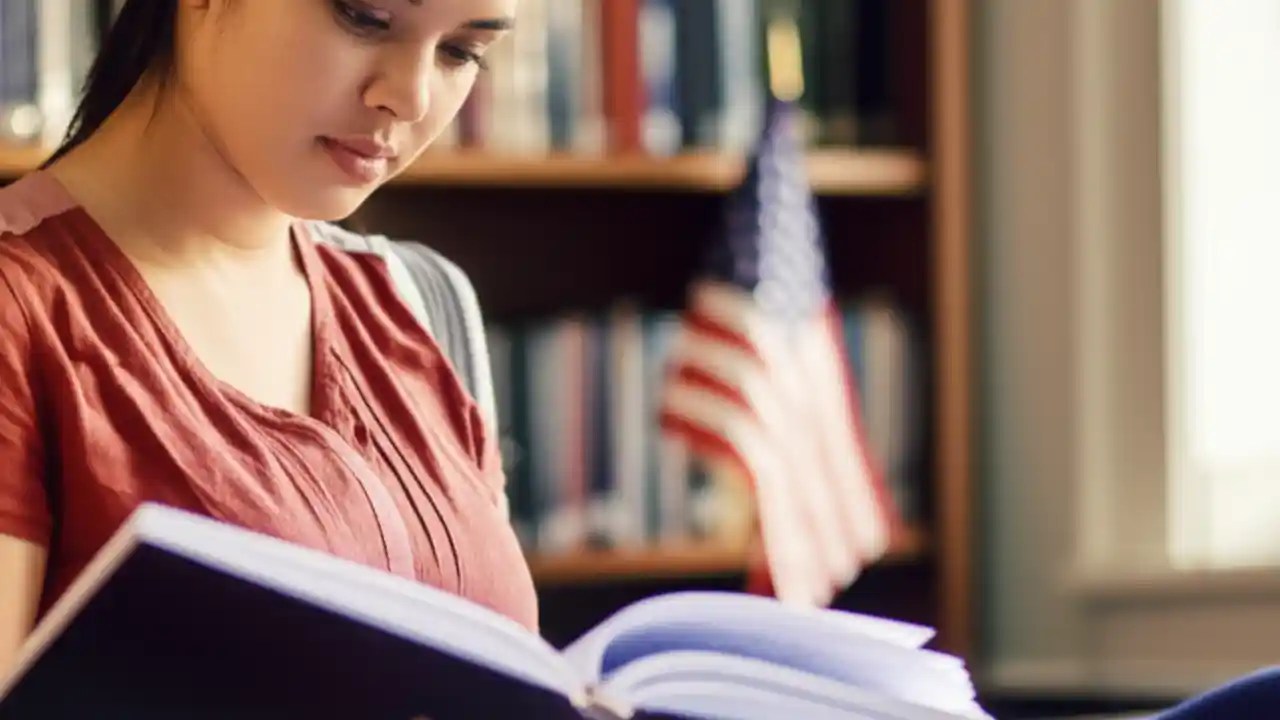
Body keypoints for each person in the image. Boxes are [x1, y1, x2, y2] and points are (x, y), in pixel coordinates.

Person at [0, 0, 532, 681]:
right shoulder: (25, 309)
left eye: (461, 51)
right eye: (366, 18)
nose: (410, 96)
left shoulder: (422, 300)